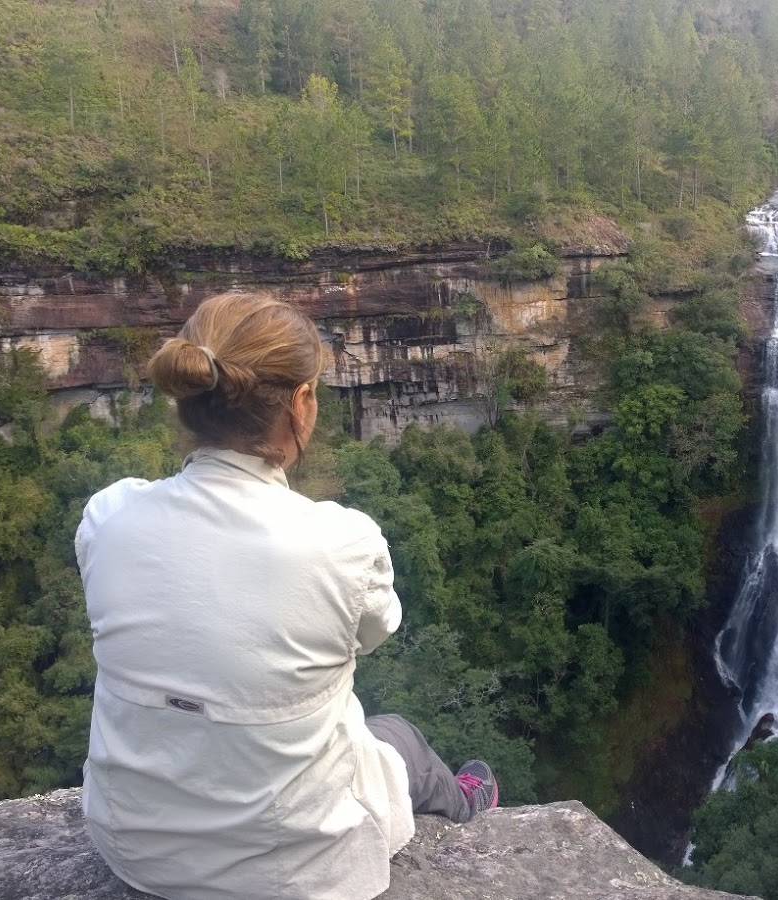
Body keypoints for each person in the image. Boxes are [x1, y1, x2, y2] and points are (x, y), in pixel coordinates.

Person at [75, 291, 497, 900]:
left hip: (134, 847)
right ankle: (465, 807)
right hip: (294, 869)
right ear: (300, 403)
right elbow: (378, 627)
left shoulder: (108, 516)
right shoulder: (341, 542)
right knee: (396, 735)